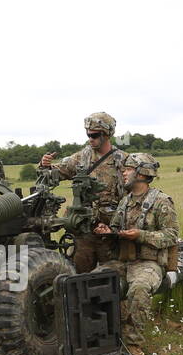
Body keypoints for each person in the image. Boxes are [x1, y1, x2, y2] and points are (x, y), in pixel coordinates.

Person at [96, 152, 179, 355]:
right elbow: (116, 228)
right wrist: (108, 232)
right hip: (124, 262)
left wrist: (140, 235)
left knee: (139, 288)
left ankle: (133, 344)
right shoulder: (125, 202)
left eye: (128, 169)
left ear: (142, 173)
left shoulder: (161, 201)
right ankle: (101, 336)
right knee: (94, 279)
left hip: (149, 263)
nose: (123, 173)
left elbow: (171, 236)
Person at [39, 111, 125, 272]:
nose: (90, 139)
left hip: (111, 234)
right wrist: (46, 165)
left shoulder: (123, 161)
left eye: (94, 135)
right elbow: (56, 174)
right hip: (84, 233)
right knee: (78, 275)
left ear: (107, 134)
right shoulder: (81, 158)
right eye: (88, 134)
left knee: (114, 278)